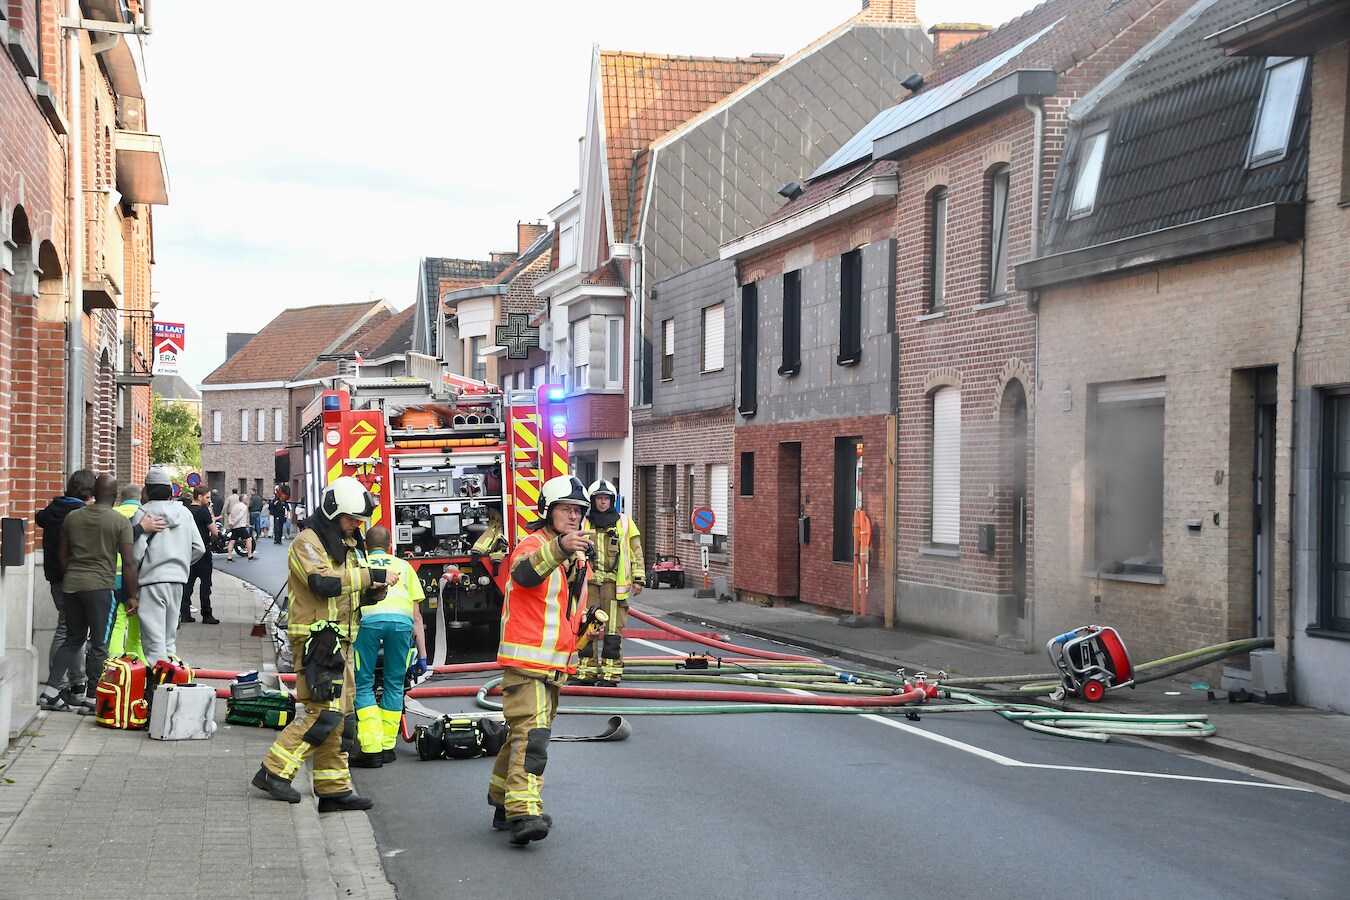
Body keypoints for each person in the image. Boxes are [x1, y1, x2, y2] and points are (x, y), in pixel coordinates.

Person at [251, 476, 394, 812]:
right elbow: (322, 582)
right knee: (323, 714)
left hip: (342, 640)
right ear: (332, 511)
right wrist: (369, 577)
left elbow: (356, 590)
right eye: (350, 519)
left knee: (341, 718)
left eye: (359, 521)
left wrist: (377, 589)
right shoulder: (307, 542)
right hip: (317, 640)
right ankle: (273, 771)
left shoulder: (349, 545)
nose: (355, 526)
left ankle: (333, 790)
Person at [488, 474, 599, 846]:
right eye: (566, 510)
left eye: (578, 511)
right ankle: (524, 813)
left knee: (521, 736)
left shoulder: (578, 558)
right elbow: (523, 576)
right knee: (533, 736)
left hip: (553, 666)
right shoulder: (532, 546)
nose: (574, 516)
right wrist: (561, 549)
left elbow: (562, 610)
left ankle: (503, 801)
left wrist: (584, 627)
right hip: (525, 664)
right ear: (547, 512)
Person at [37, 474, 137, 715]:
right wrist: (131, 595)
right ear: (114, 496)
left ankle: (50, 692)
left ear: (94, 492)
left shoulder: (74, 517)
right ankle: (93, 697)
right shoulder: (119, 522)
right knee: (101, 643)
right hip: (101, 588)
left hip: (72, 585)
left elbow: (62, 554)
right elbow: (130, 562)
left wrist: (72, 573)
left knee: (73, 638)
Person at [349, 525, 427, 768]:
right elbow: (417, 617)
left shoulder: (359, 567)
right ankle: (387, 747)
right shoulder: (404, 567)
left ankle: (370, 749)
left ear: (367, 547)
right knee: (395, 683)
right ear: (390, 545)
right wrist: (422, 656)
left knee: (363, 684)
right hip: (401, 625)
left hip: (368, 623)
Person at [34, 470, 96, 708]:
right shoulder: (81, 514)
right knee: (68, 631)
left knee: (74, 630)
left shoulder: (52, 510)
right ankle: (56, 687)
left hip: (56, 578)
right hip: (75, 578)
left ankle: (75, 683)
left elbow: (40, 518)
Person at [574, 479, 645, 687]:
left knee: (613, 632)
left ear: (612, 501)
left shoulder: (624, 522)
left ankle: (610, 674)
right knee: (587, 629)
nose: (602, 503)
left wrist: (639, 578)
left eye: (606, 499)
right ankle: (586, 671)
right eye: (599, 499)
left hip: (615, 587)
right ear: (593, 501)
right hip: (590, 586)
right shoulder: (584, 523)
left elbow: (636, 552)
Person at [132, 468, 205, 666]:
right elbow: (199, 548)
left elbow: (136, 553)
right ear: (169, 490)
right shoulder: (184, 513)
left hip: (151, 581)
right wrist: (180, 562)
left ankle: (161, 688)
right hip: (178, 580)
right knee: (169, 640)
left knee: (153, 642)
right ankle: (172, 681)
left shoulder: (143, 513)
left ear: (147, 490)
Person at [108, 483, 146, 661]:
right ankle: (137, 665)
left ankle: (113, 662)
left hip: (112, 578)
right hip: (137, 577)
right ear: (139, 498)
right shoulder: (145, 516)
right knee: (137, 628)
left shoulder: (112, 514)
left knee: (117, 622)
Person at [181, 486, 220, 624]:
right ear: (200, 497)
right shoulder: (203, 511)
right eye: (207, 497)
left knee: (187, 584)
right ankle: (206, 614)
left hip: (188, 552)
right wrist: (209, 541)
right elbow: (214, 532)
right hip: (203, 552)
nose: (209, 500)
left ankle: (184, 613)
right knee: (205, 585)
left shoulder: (185, 510)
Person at [224, 492, 254, 561]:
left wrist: (231, 523)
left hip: (234, 527)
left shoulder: (235, 506)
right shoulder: (244, 507)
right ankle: (250, 556)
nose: (247, 500)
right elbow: (240, 516)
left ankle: (229, 557)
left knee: (232, 540)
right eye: (246, 499)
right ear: (243, 499)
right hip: (240, 526)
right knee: (249, 539)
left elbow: (230, 515)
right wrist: (233, 523)